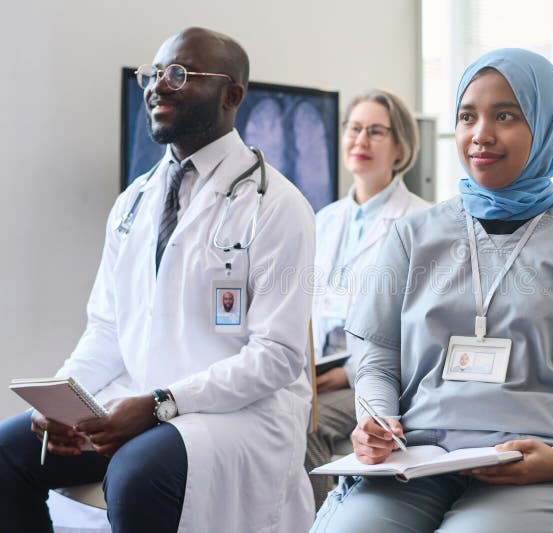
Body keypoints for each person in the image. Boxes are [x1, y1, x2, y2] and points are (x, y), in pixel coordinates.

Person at [311, 48, 553, 533]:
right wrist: (377, 422)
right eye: (467, 116)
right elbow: (376, 362)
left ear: (545, 126)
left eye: (506, 116)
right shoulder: (412, 237)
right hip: (416, 461)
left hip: (539, 467)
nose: (481, 134)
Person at [0, 27, 316, 532]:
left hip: (239, 418)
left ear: (232, 95)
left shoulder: (278, 206)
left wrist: (162, 404)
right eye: (153, 74)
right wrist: (63, 398)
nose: (156, 86)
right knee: (9, 450)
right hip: (142, 403)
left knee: (134, 474)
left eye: (179, 74)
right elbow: (106, 327)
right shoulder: (133, 202)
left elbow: (277, 357)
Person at [306, 89, 430, 508]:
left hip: (373, 376)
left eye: (375, 131)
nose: (361, 140)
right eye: (354, 129)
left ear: (400, 147)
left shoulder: (420, 222)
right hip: (315, 371)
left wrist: (347, 371)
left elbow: (418, 328)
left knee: (304, 423)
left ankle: (325, 520)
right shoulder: (324, 220)